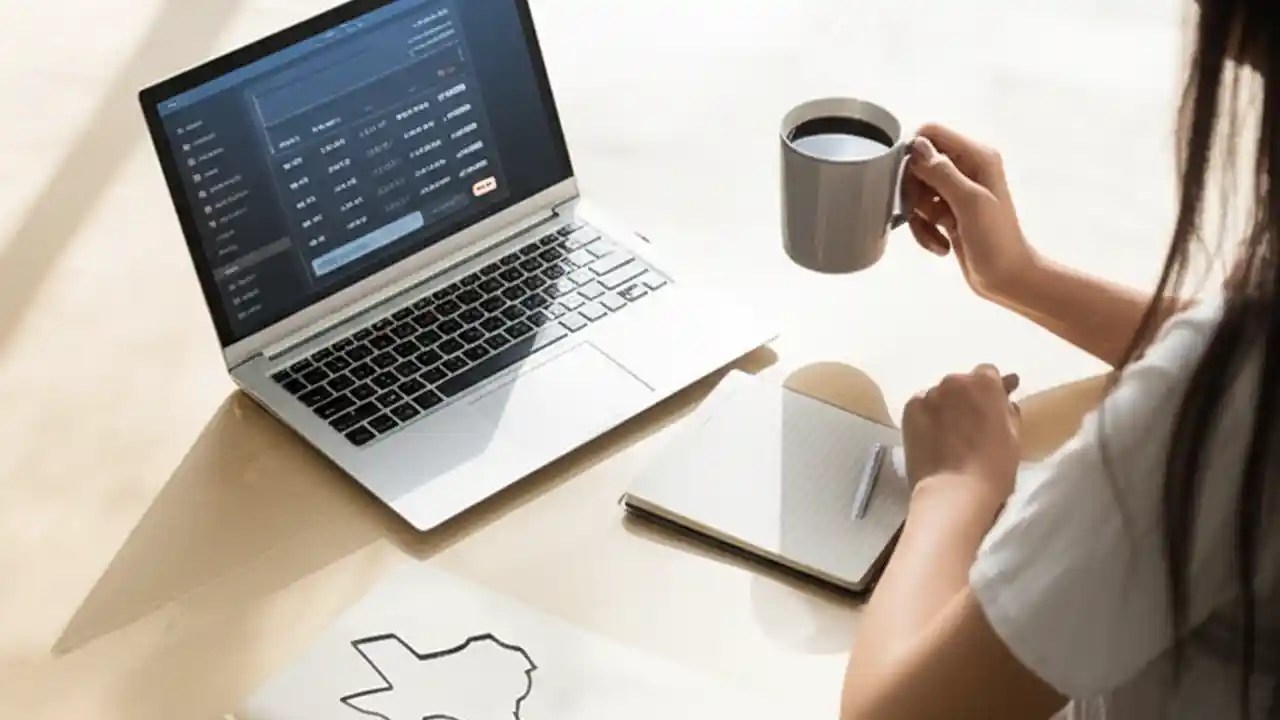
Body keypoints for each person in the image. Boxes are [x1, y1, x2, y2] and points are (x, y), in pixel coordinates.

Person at [839, 1, 1278, 718]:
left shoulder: (1224, 415)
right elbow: (1239, 353)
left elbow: (886, 713)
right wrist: (1022, 276)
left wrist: (955, 485)